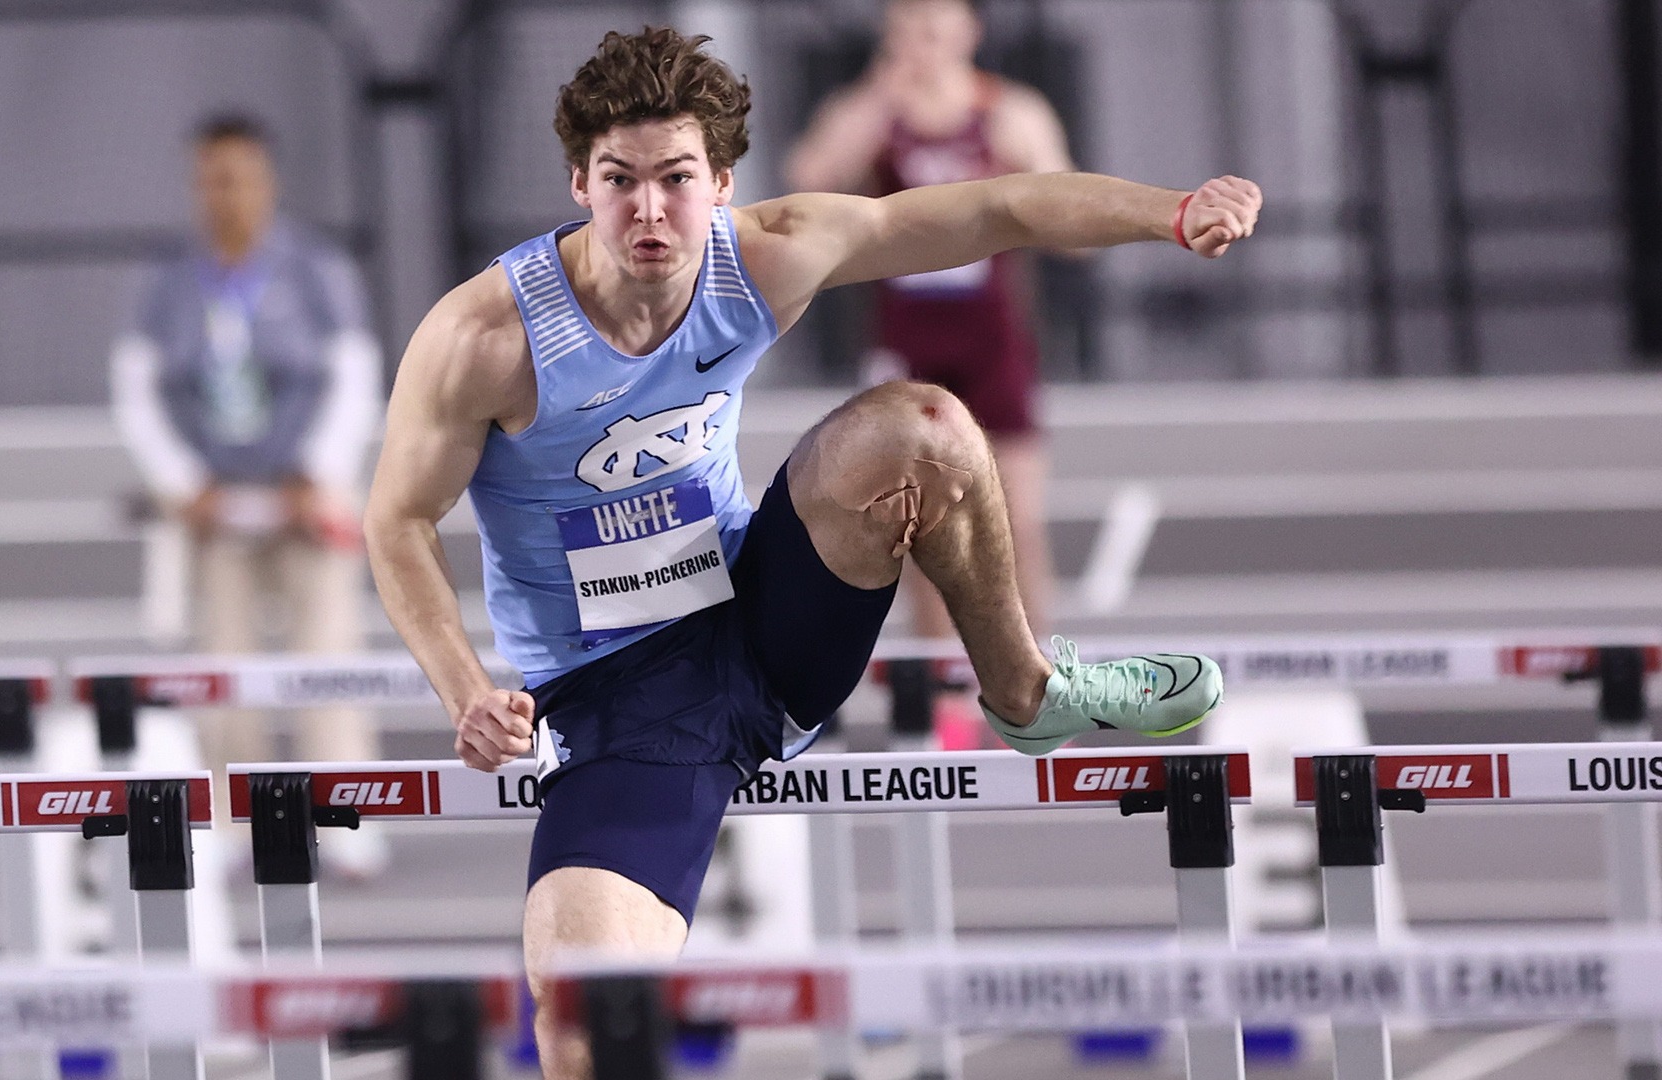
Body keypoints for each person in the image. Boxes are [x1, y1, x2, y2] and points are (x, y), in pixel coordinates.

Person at [363, 27, 1257, 1078]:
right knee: (576, 1027)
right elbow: (397, 521)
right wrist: (465, 687)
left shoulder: (769, 252)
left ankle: (1026, 688)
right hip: (619, 694)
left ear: (722, 181)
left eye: (676, 180)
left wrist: (1171, 212)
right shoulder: (487, 339)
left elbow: (998, 206)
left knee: (924, 425)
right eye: (620, 181)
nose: (649, 212)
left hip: (767, 617)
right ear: (579, 180)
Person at [787, 0, 1074, 745]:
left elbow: (1070, 215)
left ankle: (1042, 683)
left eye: (937, 30)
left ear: (969, 34)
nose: (923, 46)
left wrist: (1026, 173)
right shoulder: (872, 113)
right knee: (924, 530)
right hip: (908, 341)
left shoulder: (1009, 111)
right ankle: (947, 685)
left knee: (1019, 520)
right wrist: (876, 104)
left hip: (991, 337)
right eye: (908, 30)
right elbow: (808, 182)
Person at [111, 112, 386, 878]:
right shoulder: (168, 279)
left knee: (327, 655)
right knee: (220, 662)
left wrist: (320, 471)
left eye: (238, 177)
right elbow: (138, 391)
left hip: (305, 497)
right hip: (216, 502)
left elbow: (355, 375)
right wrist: (181, 484)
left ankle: (342, 817)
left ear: (266, 182)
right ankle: (233, 826)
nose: (225, 193)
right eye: (212, 178)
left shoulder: (313, 269)